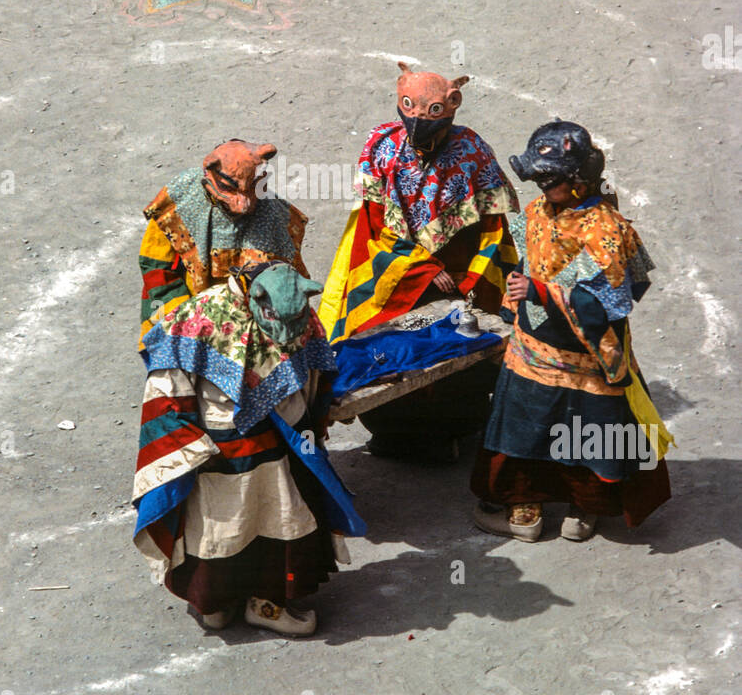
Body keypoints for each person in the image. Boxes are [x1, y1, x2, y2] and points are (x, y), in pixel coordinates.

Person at [132, 261, 365, 634]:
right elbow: (166, 387)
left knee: (281, 514)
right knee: (220, 525)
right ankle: (216, 601)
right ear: (255, 300)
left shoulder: (305, 318)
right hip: (216, 447)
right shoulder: (197, 318)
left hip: (283, 439)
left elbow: (317, 371)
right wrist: (188, 442)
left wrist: (310, 422)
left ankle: (267, 603)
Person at [471, 120, 672, 542]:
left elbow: (610, 302)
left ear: (579, 179)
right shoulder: (535, 213)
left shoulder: (608, 230)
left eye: (552, 180)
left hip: (589, 357)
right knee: (525, 426)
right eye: (538, 179)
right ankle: (526, 508)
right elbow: (525, 262)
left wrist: (541, 293)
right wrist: (517, 298)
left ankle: (585, 507)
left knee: (588, 429)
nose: (543, 189)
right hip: (533, 351)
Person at [318, 61, 519, 453]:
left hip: (462, 282)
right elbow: (372, 229)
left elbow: (493, 227)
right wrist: (421, 269)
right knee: (393, 356)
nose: (419, 129)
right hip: (395, 278)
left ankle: (453, 435)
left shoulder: (473, 150)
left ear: (453, 107)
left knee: (460, 355)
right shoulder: (381, 146)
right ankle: (398, 437)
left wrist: (470, 281)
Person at [138, 138, 308, 345]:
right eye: (230, 189)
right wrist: (189, 318)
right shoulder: (179, 202)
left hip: (251, 329)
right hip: (184, 315)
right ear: (209, 174)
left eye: (251, 189)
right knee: (171, 372)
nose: (242, 205)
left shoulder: (275, 217)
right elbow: (156, 267)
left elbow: (288, 282)